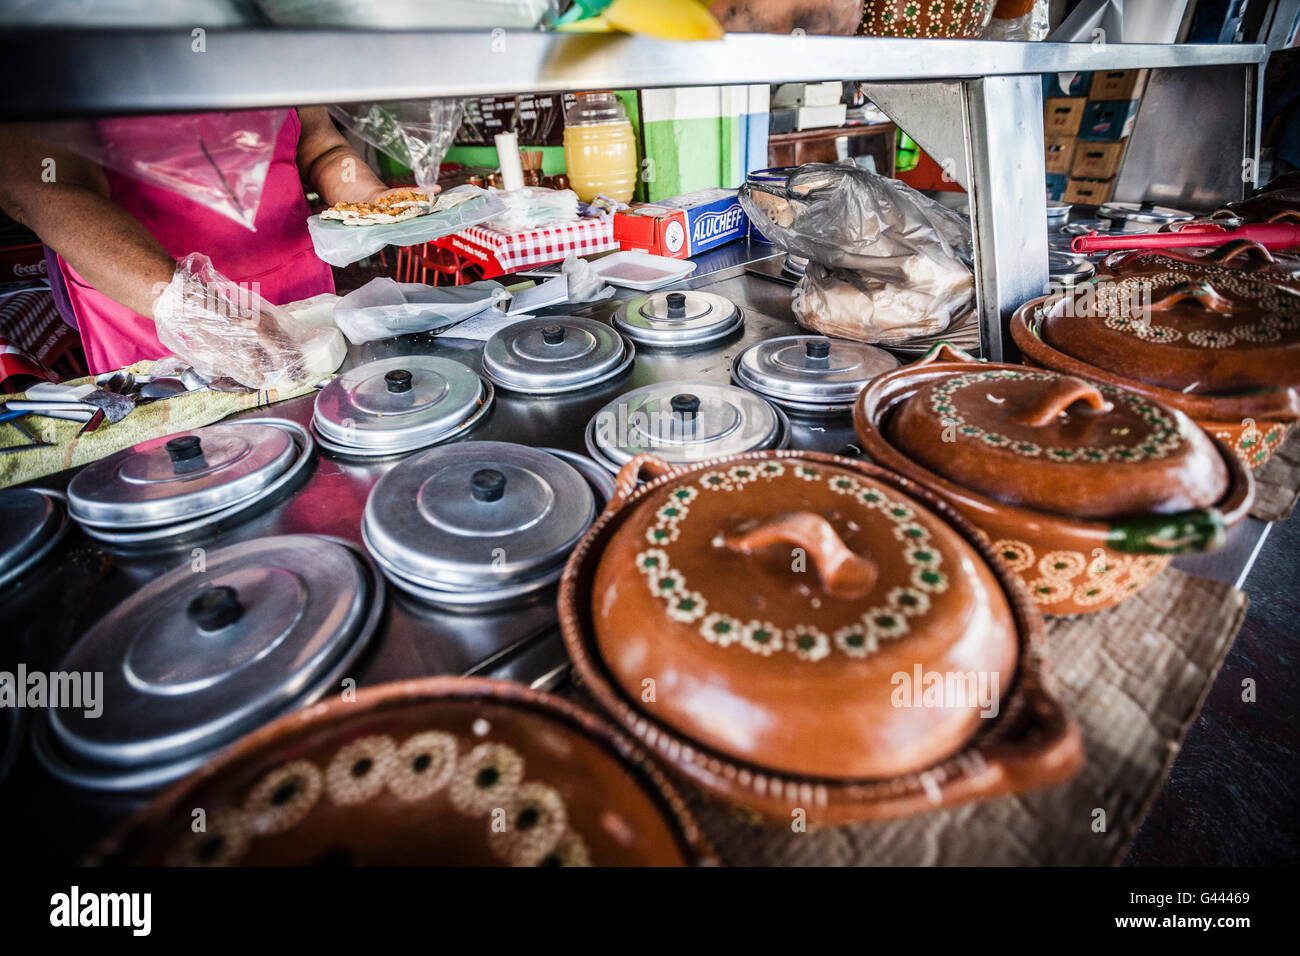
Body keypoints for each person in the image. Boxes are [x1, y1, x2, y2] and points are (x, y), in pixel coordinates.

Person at [0, 106, 421, 376]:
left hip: (298, 292)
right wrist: (193, 309)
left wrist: (370, 200)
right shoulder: (65, 34)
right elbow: (44, 187)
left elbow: (322, 147)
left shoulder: (266, 30)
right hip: (159, 306)